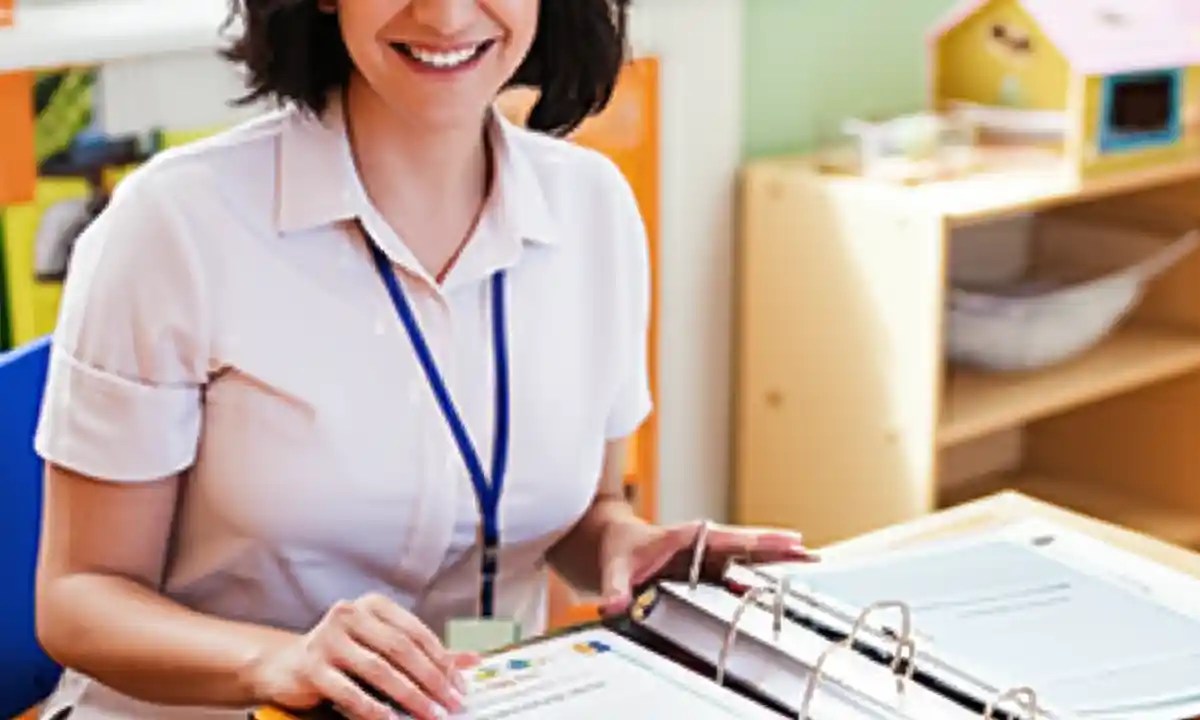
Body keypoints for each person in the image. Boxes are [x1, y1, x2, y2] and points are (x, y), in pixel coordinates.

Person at [30, 1, 812, 719]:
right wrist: (278, 659)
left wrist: (618, 543)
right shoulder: (176, 224)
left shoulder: (593, 208)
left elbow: (583, 512)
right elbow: (79, 597)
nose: (442, 13)